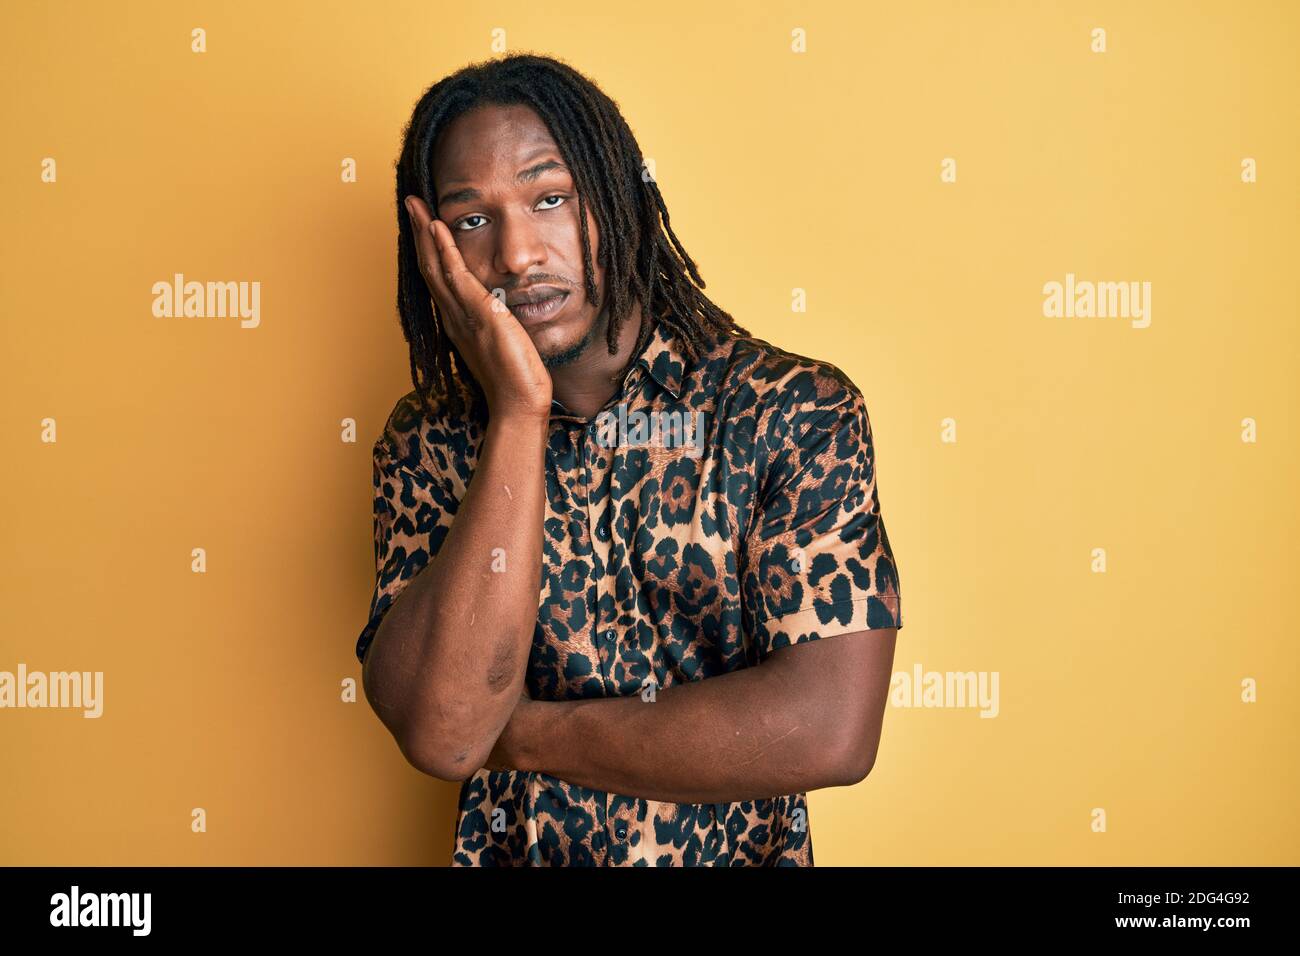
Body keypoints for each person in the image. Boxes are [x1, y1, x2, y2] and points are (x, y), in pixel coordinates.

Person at [357, 52, 903, 866]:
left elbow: (829, 731)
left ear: (620, 200)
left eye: (551, 199)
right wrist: (516, 412)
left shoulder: (791, 412)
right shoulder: (430, 444)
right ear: (434, 245)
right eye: (472, 219)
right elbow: (445, 732)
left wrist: (527, 737)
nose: (516, 255)